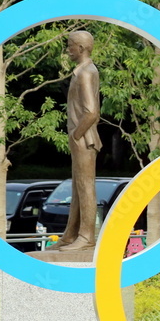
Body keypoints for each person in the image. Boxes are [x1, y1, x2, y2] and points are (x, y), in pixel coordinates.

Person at [57, 30, 101, 251]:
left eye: (70, 45)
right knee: (77, 187)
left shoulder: (85, 73)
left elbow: (92, 112)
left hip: (84, 137)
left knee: (85, 187)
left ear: (81, 48)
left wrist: (76, 134)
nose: (68, 50)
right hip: (81, 137)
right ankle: (71, 234)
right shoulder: (83, 71)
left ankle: (86, 237)